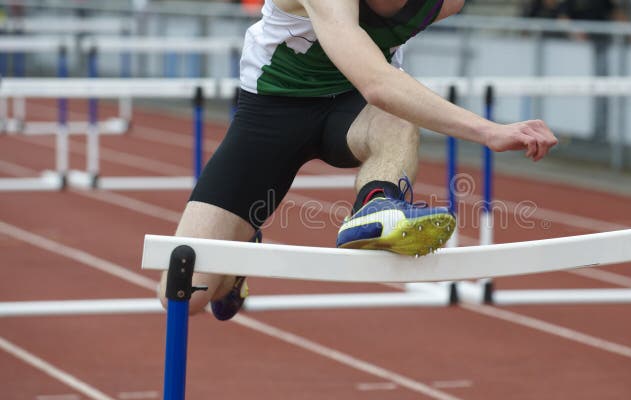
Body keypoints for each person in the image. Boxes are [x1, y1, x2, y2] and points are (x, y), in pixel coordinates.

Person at [157, 0, 559, 320]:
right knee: (183, 294)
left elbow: (382, 91)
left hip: (355, 109)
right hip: (273, 111)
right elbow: (378, 83)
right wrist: (489, 131)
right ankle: (241, 250)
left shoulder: (447, 3)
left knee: (400, 117)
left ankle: (378, 202)